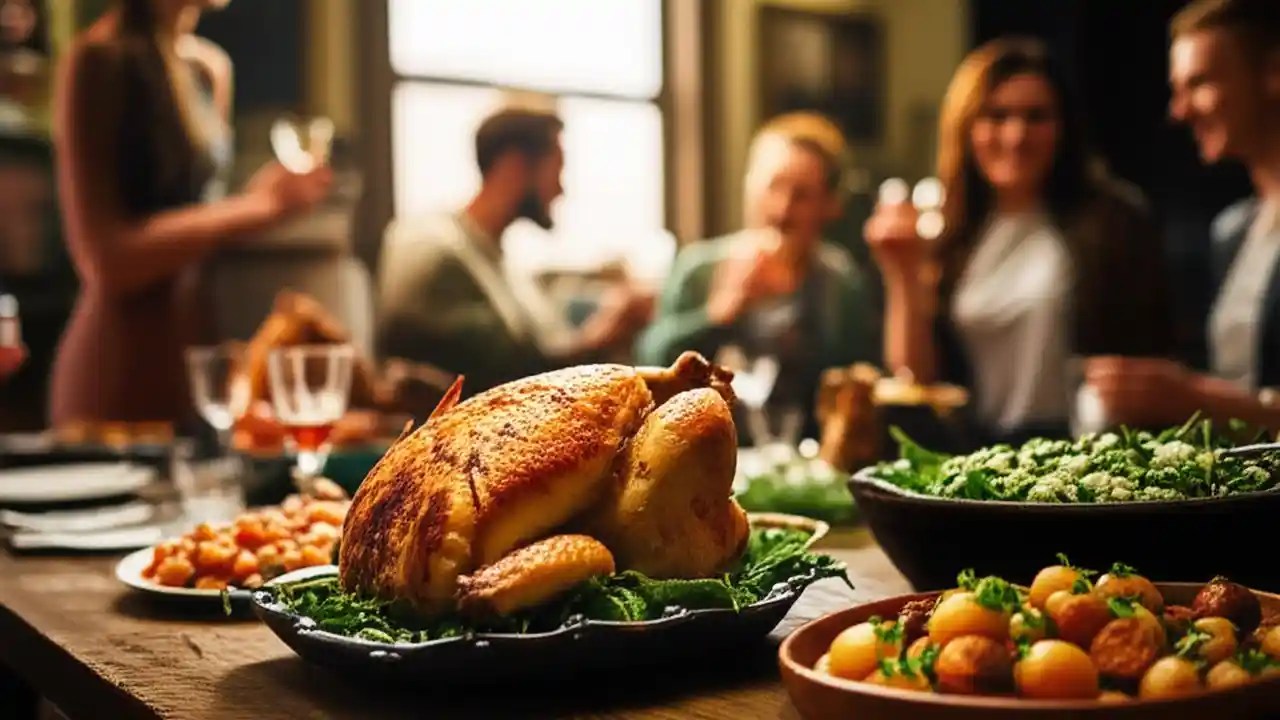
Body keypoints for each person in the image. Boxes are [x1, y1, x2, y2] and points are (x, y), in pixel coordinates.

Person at [864, 38, 1174, 446]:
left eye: (1036, 116)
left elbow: (1153, 363)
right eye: (997, 116)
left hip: (1085, 451)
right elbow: (918, 378)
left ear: (1063, 127)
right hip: (980, 453)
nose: (1016, 135)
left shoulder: (1113, 221)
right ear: (967, 126)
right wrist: (901, 273)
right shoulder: (952, 231)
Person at [49, 0, 332, 427]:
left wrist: (257, 202)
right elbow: (104, 259)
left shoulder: (209, 67)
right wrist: (257, 207)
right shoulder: (98, 60)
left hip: (199, 367)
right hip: (119, 375)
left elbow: (198, 222)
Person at [1085, 0, 1280, 433]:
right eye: (1177, 90)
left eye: (1200, 83)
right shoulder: (1232, 230)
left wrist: (1194, 400)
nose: (1180, 110)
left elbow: (1222, 401)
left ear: (1273, 72)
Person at [636, 112, 880, 442]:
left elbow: (857, 383)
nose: (782, 209)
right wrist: (720, 314)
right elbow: (651, 361)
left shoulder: (841, 283)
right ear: (749, 186)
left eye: (801, 195)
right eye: (773, 186)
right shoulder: (697, 268)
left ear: (830, 205)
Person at [376, 106, 651, 395]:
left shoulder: (501, 260)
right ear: (515, 166)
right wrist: (598, 339)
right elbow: (505, 374)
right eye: (556, 169)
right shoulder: (434, 248)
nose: (560, 189)